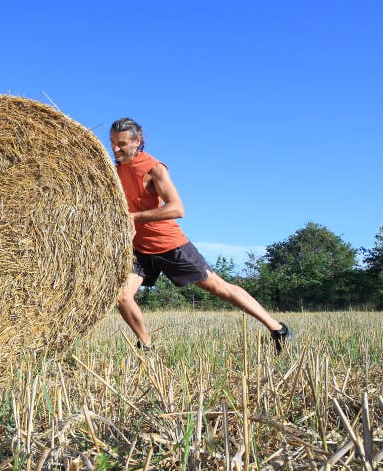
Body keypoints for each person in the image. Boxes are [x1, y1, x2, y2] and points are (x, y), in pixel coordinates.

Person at [110, 117, 291, 353]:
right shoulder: (115, 170)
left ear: (138, 141)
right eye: (113, 142)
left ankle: (277, 329)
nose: (115, 149)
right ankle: (146, 347)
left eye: (121, 143)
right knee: (122, 295)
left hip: (169, 244)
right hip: (140, 249)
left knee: (219, 287)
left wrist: (134, 217)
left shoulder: (154, 168)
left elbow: (177, 208)